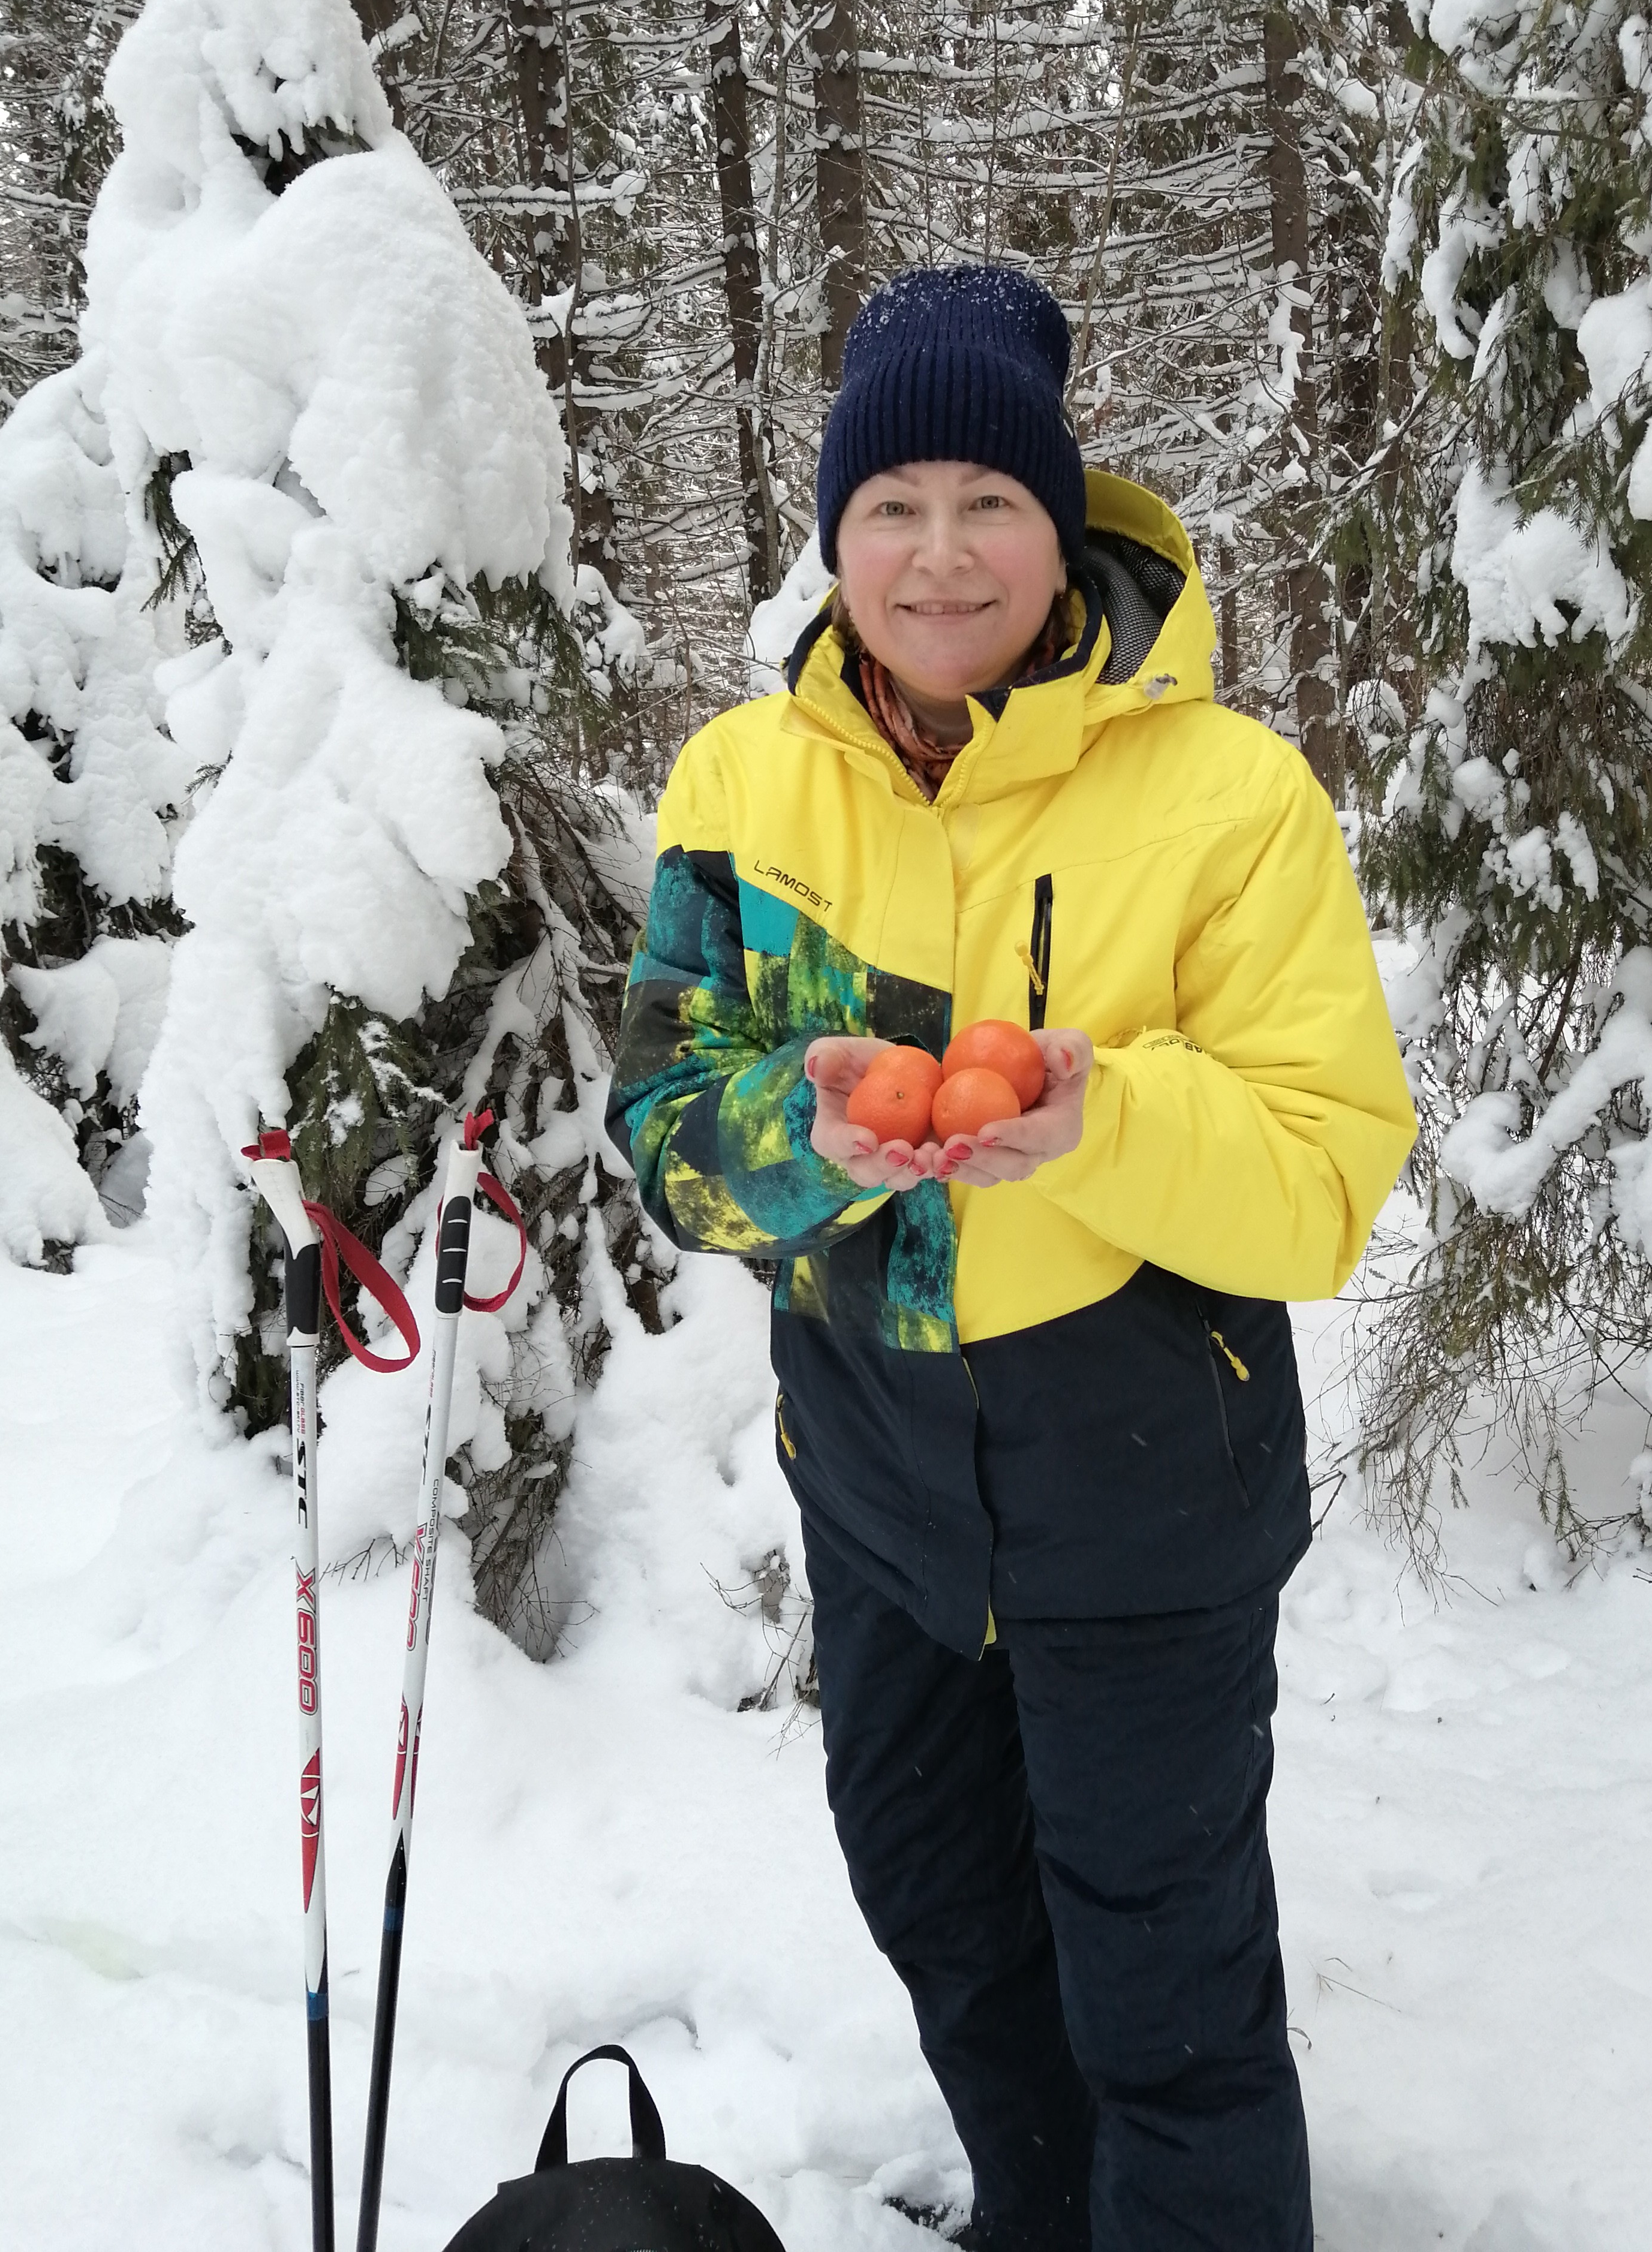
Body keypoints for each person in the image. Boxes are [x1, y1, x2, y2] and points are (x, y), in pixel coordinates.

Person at [606, 265, 1416, 2252]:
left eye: (990, 501)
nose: (938, 553)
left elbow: (1322, 1180)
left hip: (1142, 1475)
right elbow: (663, 1126)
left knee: (1164, 1987)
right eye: (893, 505)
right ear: (835, 534)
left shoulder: (1226, 795)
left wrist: (1100, 1121)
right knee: (937, 1894)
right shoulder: (743, 781)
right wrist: (792, 1142)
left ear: (1063, 530)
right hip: (879, 1478)